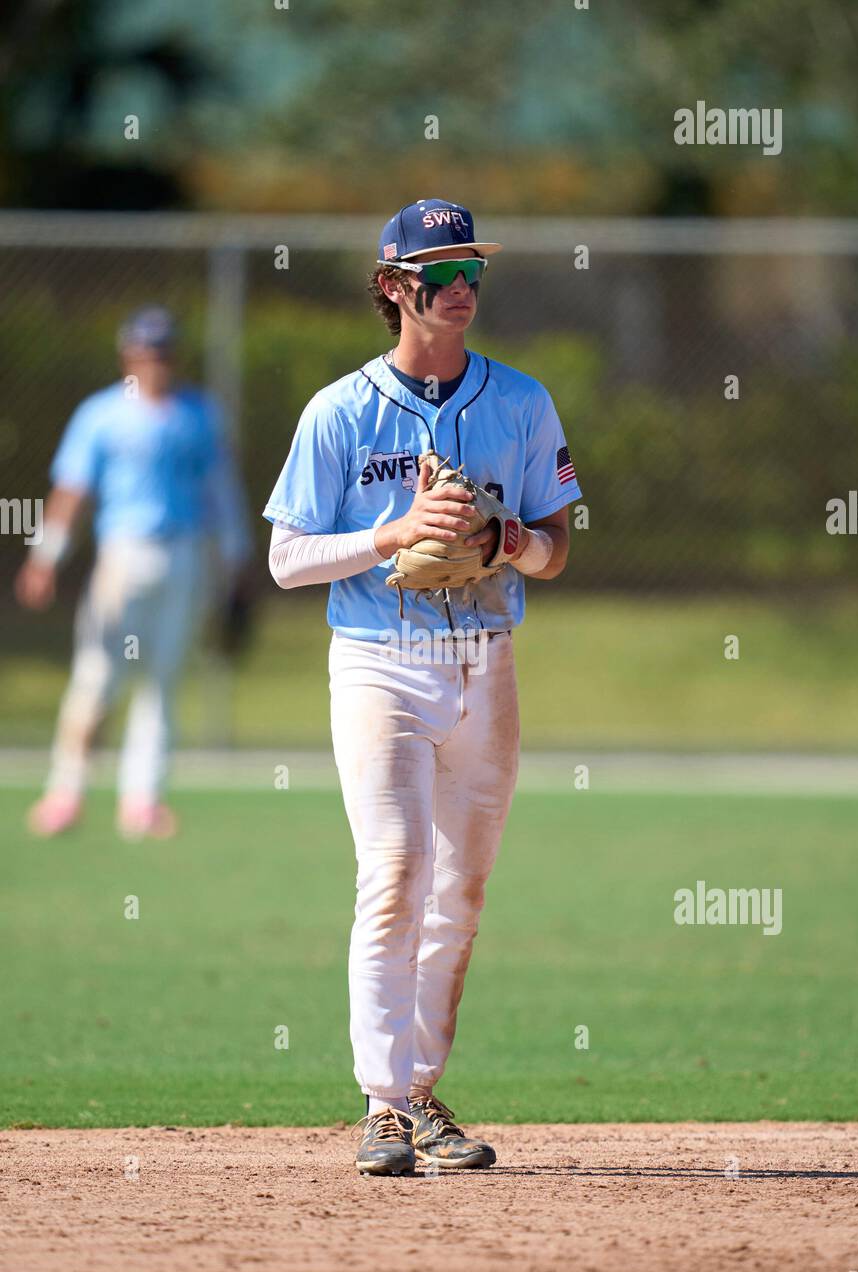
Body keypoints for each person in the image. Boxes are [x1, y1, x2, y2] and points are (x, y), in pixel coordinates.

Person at [264, 199, 582, 1175]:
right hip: (376, 662)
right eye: (440, 273)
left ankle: (420, 1093)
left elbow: (554, 549)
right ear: (393, 285)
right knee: (394, 872)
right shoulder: (339, 410)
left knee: (460, 891)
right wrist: (389, 535)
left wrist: (503, 541)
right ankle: (381, 1106)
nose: (461, 290)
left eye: (472, 272)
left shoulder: (520, 401)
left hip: (485, 661)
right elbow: (284, 559)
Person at [15, 306, 252, 839]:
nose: (155, 363)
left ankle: (142, 801)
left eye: (163, 352)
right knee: (98, 676)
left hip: (185, 554)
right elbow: (72, 491)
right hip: (123, 553)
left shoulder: (199, 413)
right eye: (146, 352)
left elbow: (222, 492)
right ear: (128, 355)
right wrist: (45, 557)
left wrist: (237, 559)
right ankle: (65, 791)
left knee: (161, 681)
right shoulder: (101, 413)